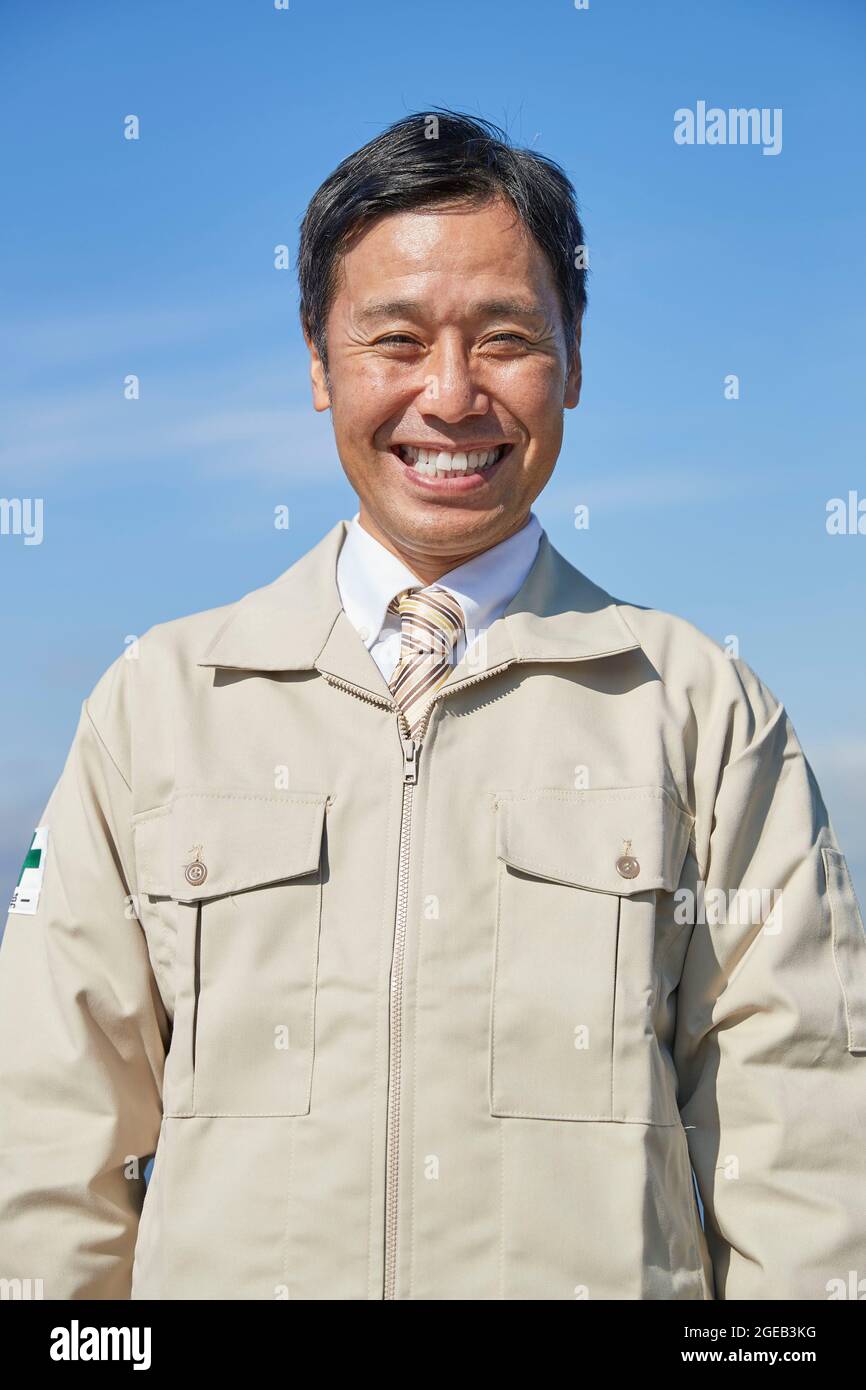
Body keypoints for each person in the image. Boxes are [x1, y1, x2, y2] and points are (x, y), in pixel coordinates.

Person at [1, 110, 864, 1302]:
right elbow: (50, 1129)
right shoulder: (159, 706)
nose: (450, 396)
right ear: (317, 361)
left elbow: (804, 1136)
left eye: (504, 337)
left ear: (572, 355)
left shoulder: (704, 715)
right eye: (394, 339)